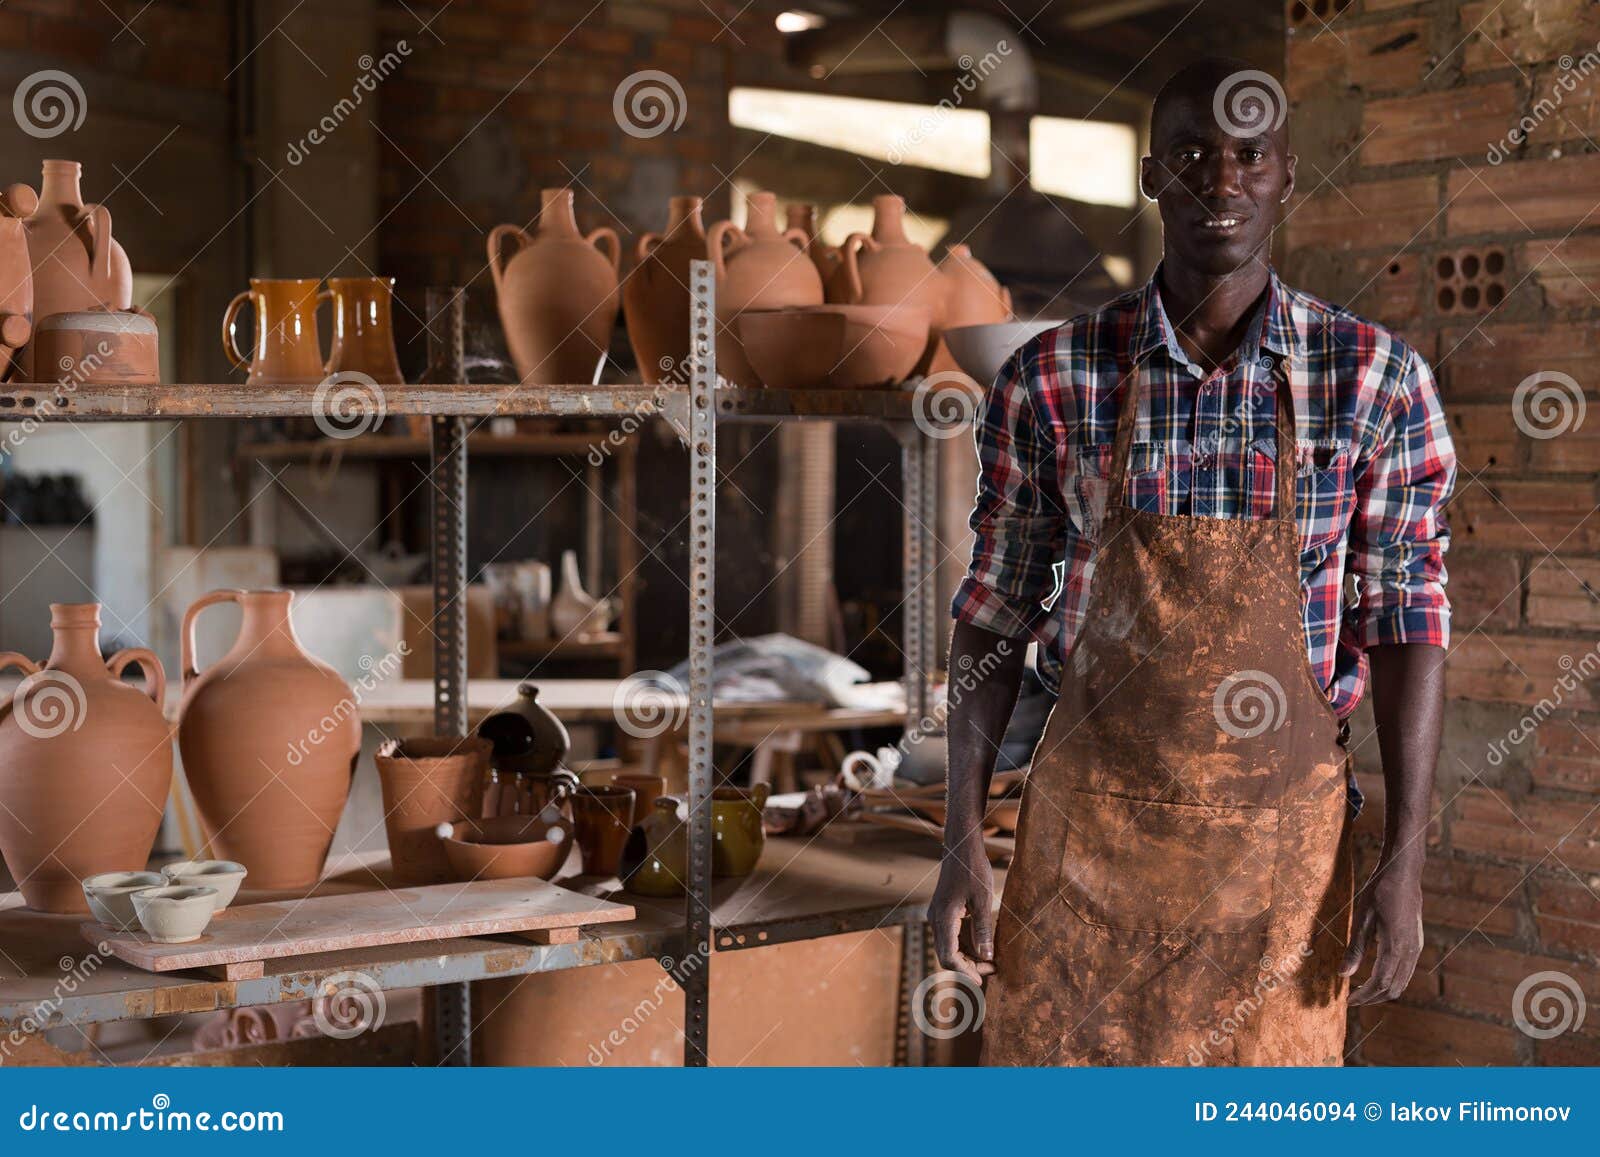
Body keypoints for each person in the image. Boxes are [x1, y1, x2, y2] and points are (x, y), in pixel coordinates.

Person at [931, 57, 1455, 1065]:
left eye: (1248, 155)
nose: (1221, 179)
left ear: (1287, 176)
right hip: (1087, 857)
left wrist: (1404, 860)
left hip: (1278, 872)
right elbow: (992, 609)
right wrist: (960, 838)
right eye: (1192, 155)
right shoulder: (1052, 378)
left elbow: (1409, 626)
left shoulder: (1376, 381)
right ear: (1151, 176)